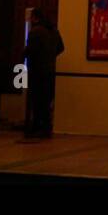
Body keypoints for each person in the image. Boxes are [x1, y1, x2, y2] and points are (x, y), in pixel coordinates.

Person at [23, 8, 65, 139]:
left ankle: (37, 126)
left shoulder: (35, 32)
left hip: (36, 71)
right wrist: (51, 56)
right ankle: (46, 127)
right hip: (50, 71)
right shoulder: (53, 31)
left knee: (36, 100)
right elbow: (61, 47)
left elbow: (29, 51)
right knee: (46, 101)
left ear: (35, 18)